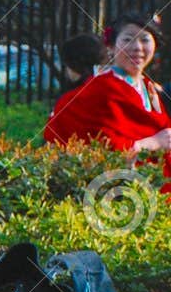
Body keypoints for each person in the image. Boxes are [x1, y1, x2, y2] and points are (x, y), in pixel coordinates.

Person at [44, 13, 171, 192]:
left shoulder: (148, 86)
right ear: (111, 46)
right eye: (128, 39)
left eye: (145, 39)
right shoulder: (100, 88)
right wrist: (152, 142)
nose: (137, 47)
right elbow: (103, 147)